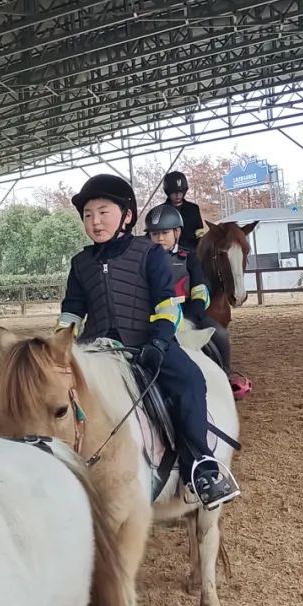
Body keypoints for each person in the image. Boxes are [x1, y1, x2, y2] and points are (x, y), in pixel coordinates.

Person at [57, 173, 239, 512]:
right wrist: (59, 347)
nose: (94, 222)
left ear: (126, 216)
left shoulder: (149, 255)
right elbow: (71, 312)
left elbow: (166, 305)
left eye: (103, 212)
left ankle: (201, 466)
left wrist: (157, 342)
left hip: (147, 345)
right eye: (88, 215)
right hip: (96, 350)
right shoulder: (80, 263)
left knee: (190, 380)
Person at [143, 202, 231, 375]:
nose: (160, 238)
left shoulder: (189, 257)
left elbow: (199, 286)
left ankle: (226, 373)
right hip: (156, 315)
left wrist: (197, 307)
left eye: (165, 233)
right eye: (155, 234)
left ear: (177, 232)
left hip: (188, 311)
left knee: (220, 335)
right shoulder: (143, 259)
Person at [162, 171, 206, 252]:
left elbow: (199, 230)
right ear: (168, 191)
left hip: (191, 252)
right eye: (174, 192)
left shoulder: (193, 209)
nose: (178, 195)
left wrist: (201, 243)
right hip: (167, 253)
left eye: (181, 192)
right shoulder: (161, 211)